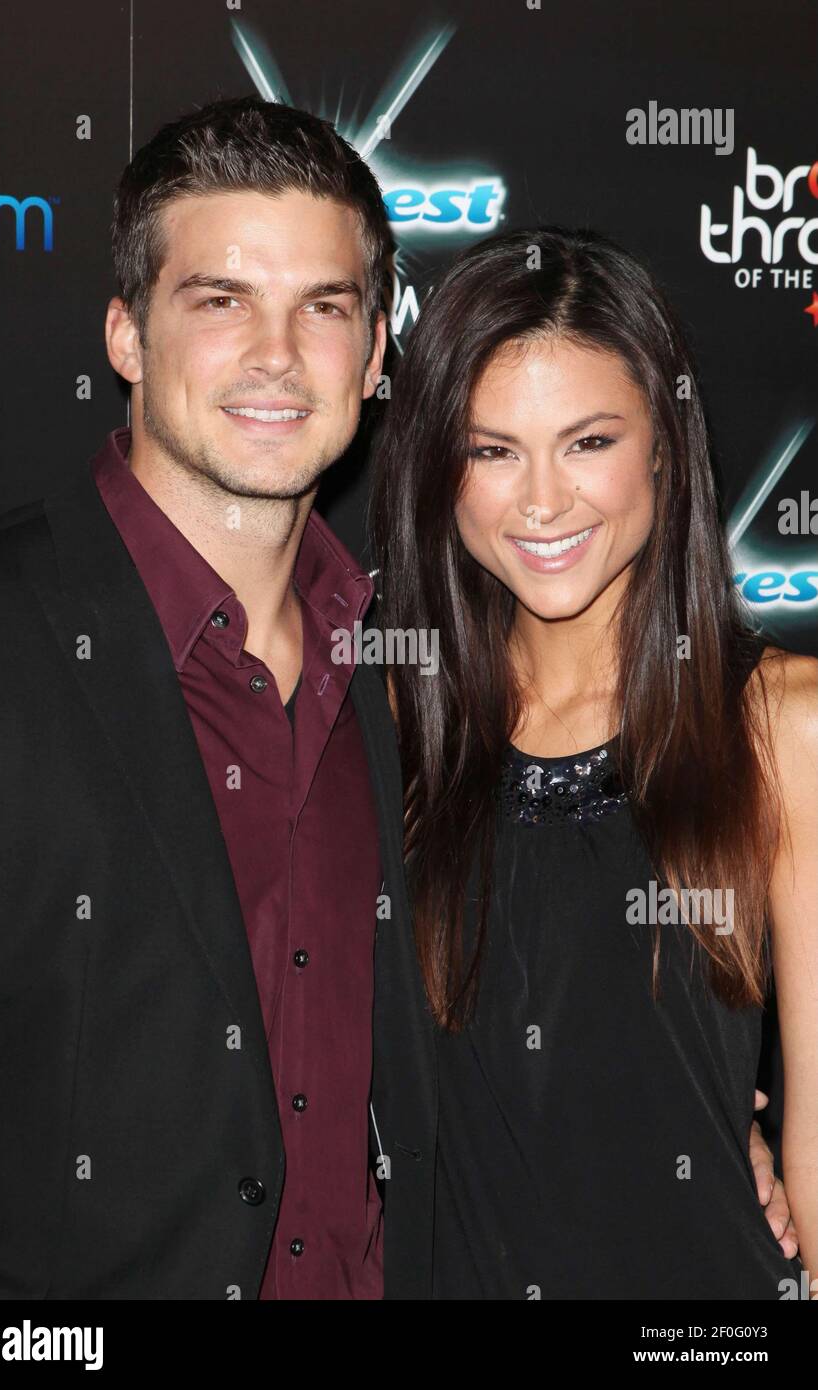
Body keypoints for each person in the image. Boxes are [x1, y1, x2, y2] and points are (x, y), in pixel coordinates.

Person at [0, 98, 793, 1302]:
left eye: (325, 308)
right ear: (126, 336)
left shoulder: (394, 691)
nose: (278, 357)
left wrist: (713, 1135)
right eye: (221, 300)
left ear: (377, 351)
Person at [369, 226, 817, 1299]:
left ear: (663, 444)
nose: (540, 502)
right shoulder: (382, 721)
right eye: (489, 450)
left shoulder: (782, 726)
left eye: (586, 442)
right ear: (437, 469)